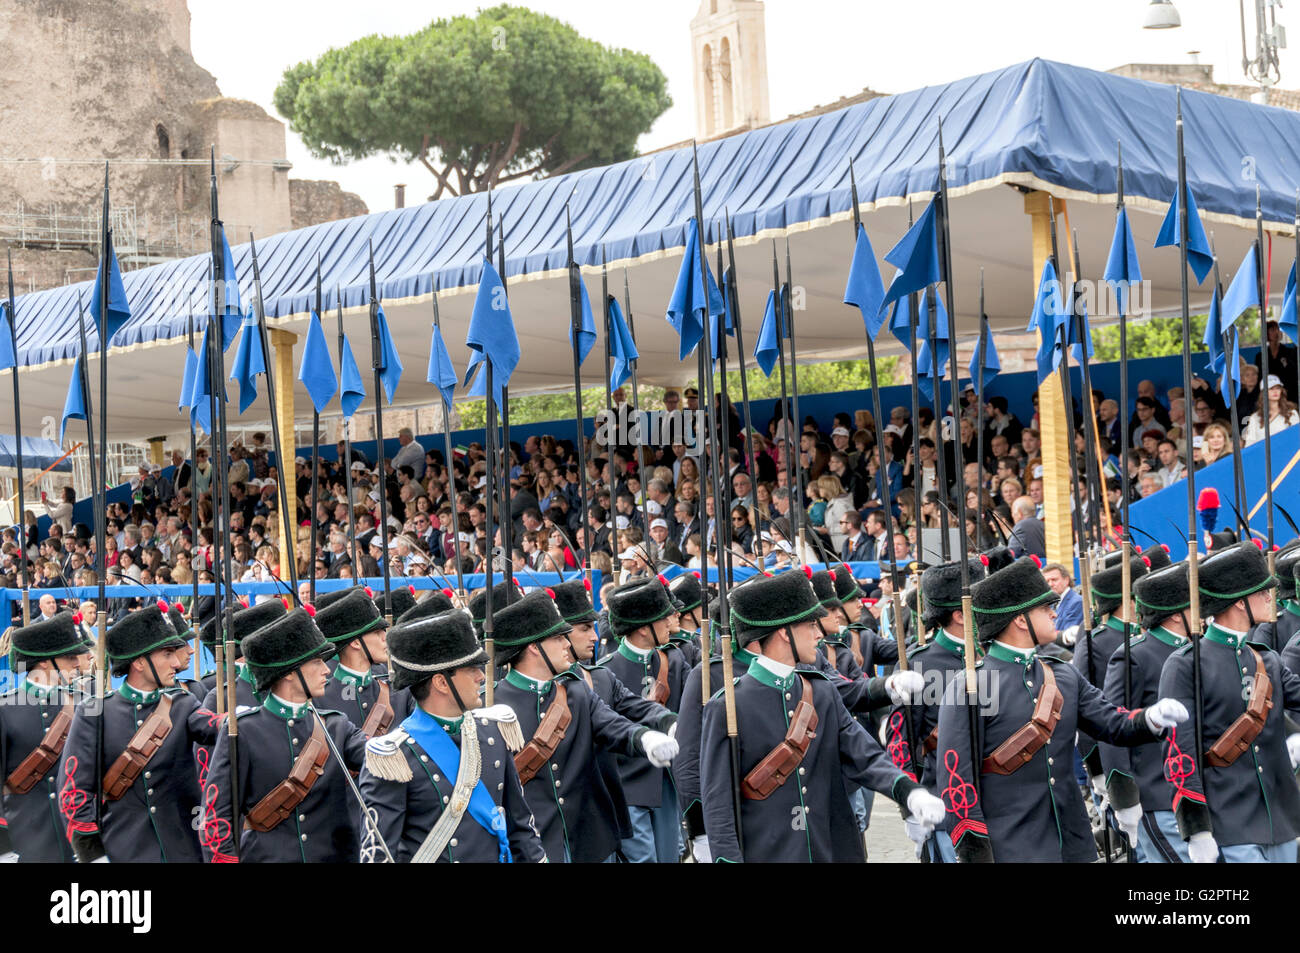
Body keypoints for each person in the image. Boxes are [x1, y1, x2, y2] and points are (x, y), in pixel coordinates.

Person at [937, 557, 1187, 862]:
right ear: (1019, 620)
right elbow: (957, 779)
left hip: (1071, 839)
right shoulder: (974, 684)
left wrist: (1149, 718)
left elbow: (1111, 723)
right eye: (1045, 609)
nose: (1055, 613)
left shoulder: (1062, 674)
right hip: (1010, 845)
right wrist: (975, 851)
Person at [698, 569, 945, 862]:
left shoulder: (821, 691)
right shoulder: (729, 705)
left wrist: (910, 792)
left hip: (827, 848)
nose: (819, 633)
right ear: (783, 631)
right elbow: (718, 804)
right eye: (809, 624)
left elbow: (864, 755)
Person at [491, 590, 677, 863]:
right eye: (557, 638)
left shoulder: (576, 691)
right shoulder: (493, 704)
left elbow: (613, 725)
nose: (566, 644)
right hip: (535, 844)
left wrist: (645, 738)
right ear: (534, 647)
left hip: (589, 841)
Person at [358, 608, 546, 862]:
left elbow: (521, 827)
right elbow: (378, 854)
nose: (481, 676)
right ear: (441, 683)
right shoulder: (394, 758)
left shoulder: (494, 731)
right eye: (471, 669)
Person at [1159, 541, 1300, 863]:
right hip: (1228, 823)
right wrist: (1197, 829)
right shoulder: (1185, 665)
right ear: (1239, 602)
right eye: (1263, 592)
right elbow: (1179, 754)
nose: (1271, 597)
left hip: (1280, 818)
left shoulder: (1268, 660)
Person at [59, 602, 223, 863]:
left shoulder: (184, 704)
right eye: (167, 654)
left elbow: (215, 726)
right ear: (138, 662)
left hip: (183, 851)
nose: (176, 662)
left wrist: (244, 720)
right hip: (123, 851)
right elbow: (74, 791)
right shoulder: (95, 713)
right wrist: (93, 855)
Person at [202, 608, 368, 863]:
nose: (327, 670)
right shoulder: (243, 731)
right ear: (289, 672)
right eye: (316, 662)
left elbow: (380, 756)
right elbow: (216, 815)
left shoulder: (336, 726)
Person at [887, 557, 986, 862]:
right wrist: (909, 808)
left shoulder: (991, 653)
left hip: (1001, 805)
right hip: (947, 806)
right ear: (960, 614)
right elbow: (900, 742)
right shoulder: (919, 664)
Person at [1102, 561, 1194, 862]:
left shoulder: (1197, 651)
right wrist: (1124, 798)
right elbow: (1112, 728)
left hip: (1196, 790)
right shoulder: (1134, 657)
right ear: (1178, 614)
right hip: (1158, 793)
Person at [596, 579, 690, 862]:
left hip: (667, 784)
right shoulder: (606, 671)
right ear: (641, 628)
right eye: (661, 619)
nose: (669, 623)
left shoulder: (672, 661)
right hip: (628, 787)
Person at [0, 612, 94, 862]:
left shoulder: (85, 703)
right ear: (43, 662)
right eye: (69, 657)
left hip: (83, 843)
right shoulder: (5, 710)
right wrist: (4, 850)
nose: (77, 663)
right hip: (27, 845)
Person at [314, 587, 411, 737]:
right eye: (377, 632)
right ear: (356, 643)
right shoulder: (319, 702)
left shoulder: (401, 693)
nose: (385, 637)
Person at [1242, 374, 1299, 445]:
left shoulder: (1291, 413)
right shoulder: (1255, 417)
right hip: (1262, 454)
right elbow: (1250, 443)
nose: (1275, 391)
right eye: (1271, 388)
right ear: (1263, 392)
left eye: (1278, 388)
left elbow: (1296, 438)